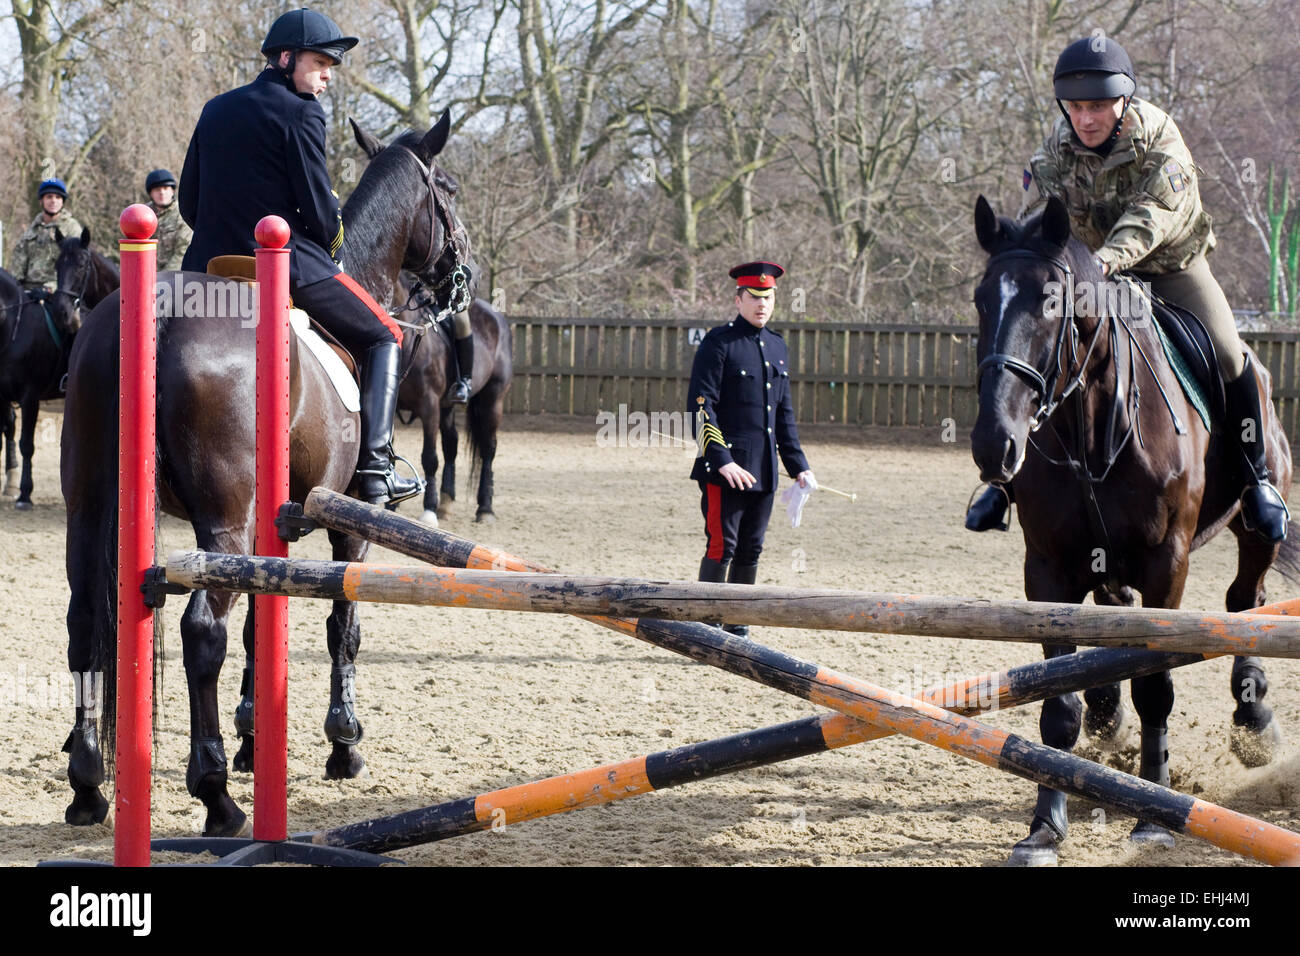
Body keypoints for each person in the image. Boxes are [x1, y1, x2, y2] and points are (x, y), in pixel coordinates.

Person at [966, 36, 1289, 542]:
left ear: (1123, 103)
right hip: (1088, 271)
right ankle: (1006, 483)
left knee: (1229, 354)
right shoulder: (1055, 147)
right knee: (1038, 343)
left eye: (1097, 106)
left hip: (1169, 266)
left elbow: (1149, 220)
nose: (1086, 119)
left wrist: (1100, 265)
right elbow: (1039, 219)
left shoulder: (1162, 140)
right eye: (1075, 107)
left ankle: (1256, 480)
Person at [180, 7, 420, 505]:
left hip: (205, 267)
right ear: (285, 58)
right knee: (386, 334)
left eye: (331, 66)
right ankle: (376, 468)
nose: (327, 75)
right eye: (320, 63)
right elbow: (315, 208)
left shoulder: (215, 109)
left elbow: (188, 201)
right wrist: (334, 238)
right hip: (283, 262)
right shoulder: (303, 112)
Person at [688, 261, 815, 636]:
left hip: (764, 469)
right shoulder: (718, 342)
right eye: (755, 297)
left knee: (751, 549)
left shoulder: (777, 346)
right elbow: (700, 406)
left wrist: (799, 466)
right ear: (739, 298)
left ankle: (737, 626)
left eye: (769, 297)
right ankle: (705, 630)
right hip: (723, 470)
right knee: (720, 547)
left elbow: (783, 414)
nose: (763, 304)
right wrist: (721, 460)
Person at [9, 179, 83, 296]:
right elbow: (17, 267)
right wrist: (15, 288)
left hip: (60, 292)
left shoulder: (72, 229)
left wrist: (50, 288)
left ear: (62, 202)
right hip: (28, 292)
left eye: (58, 197)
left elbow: (77, 269)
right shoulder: (32, 230)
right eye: (49, 197)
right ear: (41, 201)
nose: (53, 201)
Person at [144, 169, 193, 272]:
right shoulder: (143, 214)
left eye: (166, 188)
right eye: (157, 189)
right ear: (150, 193)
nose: (162, 193)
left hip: (174, 276)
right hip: (146, 273)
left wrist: (162, 278)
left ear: (172, 191)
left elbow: (182, 252)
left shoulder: (182, 213)